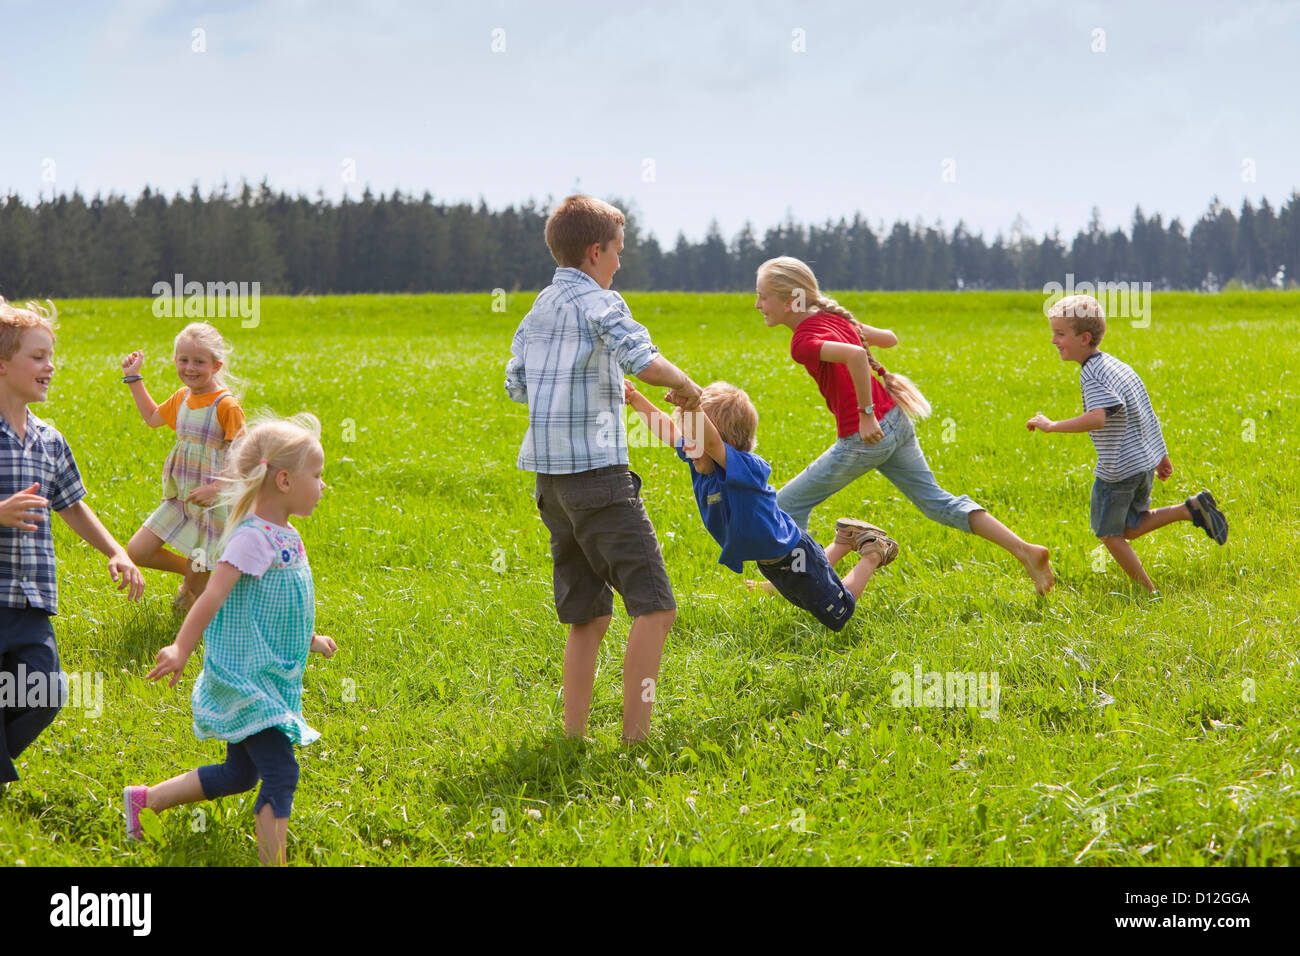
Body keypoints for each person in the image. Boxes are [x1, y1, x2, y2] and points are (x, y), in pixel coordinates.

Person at [505, 194, 702, 742]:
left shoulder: (538, 307)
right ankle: (635, 740)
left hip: (551, 485)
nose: (621, 262)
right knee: (655, 608)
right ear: (596, 252)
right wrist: (684, 385)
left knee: (587, 617)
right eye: (618, 251)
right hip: (599, 477)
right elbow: (644, 358)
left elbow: (516, 382)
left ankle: (573, 738)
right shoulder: (602, 305)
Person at [756, 256, 1055, 595]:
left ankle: (798, 585)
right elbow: (889, 339)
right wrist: (855, 334)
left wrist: (866, 413)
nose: (757, 304)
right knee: (938, 503)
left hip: (865, 436)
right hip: (896, 420)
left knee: (788, 504)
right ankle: (1026, 551)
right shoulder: (831, 318)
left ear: (787, 299)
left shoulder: (803, 341)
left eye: (763, 296)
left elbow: (855, 355)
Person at [126, 413, 337, 865]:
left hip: (266, 674)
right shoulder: (250, 539)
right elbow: (211, 596)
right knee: (281, 772)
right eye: (317, 476)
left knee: (241, 773)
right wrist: (181, 647)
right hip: (246, 679)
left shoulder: (286, 534)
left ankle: (147, 800)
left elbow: (278, 606)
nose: (323, 485)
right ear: (283, 480)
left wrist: (310, 639)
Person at [0, 298, 144, 787]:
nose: (50, 366)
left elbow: (72, 504)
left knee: (44, 692)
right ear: (2, 364)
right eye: (37, 357)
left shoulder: (49, 439)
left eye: (50, 356)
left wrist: (116, 550)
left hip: (33, 600)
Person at [624, 379, 897, 631]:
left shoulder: (744, 468)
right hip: (774, 560)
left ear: (727, 443)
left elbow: (710, 441)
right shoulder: (700, 459)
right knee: (809, 594)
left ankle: (872, 550)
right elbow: (669, 432)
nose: (686, 448)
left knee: (838, 613)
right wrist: (636, 398)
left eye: (693, 440)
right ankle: (844, 539)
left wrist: (693, 405)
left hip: (791, 554)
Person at [1027, 294, 1227, 593]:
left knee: (1109, 534)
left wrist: (1052, 426)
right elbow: (1145, 410)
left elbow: (1097, 419)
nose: (1054, 340)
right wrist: (1160, 454)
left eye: (1060, 334)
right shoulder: (1117, 365)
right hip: (1141, 464)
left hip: (1117, 470)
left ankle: (1149, 592)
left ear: (1084, 338)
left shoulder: (1092, 374)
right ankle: (1191, 509)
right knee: (1131, 526)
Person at [122, 322, 246, 612]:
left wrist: (217, 488)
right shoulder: (183, 397)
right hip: (181, 497)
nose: (190, 368)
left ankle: (196, 590)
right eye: (183, 360)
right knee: (137, 550)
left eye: (199, 362)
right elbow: (153, 417)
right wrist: (134, 378)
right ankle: (196, 571)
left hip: (212, 505)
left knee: (187, 600)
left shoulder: (226, 405)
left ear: (216, 365)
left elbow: (244, 455)